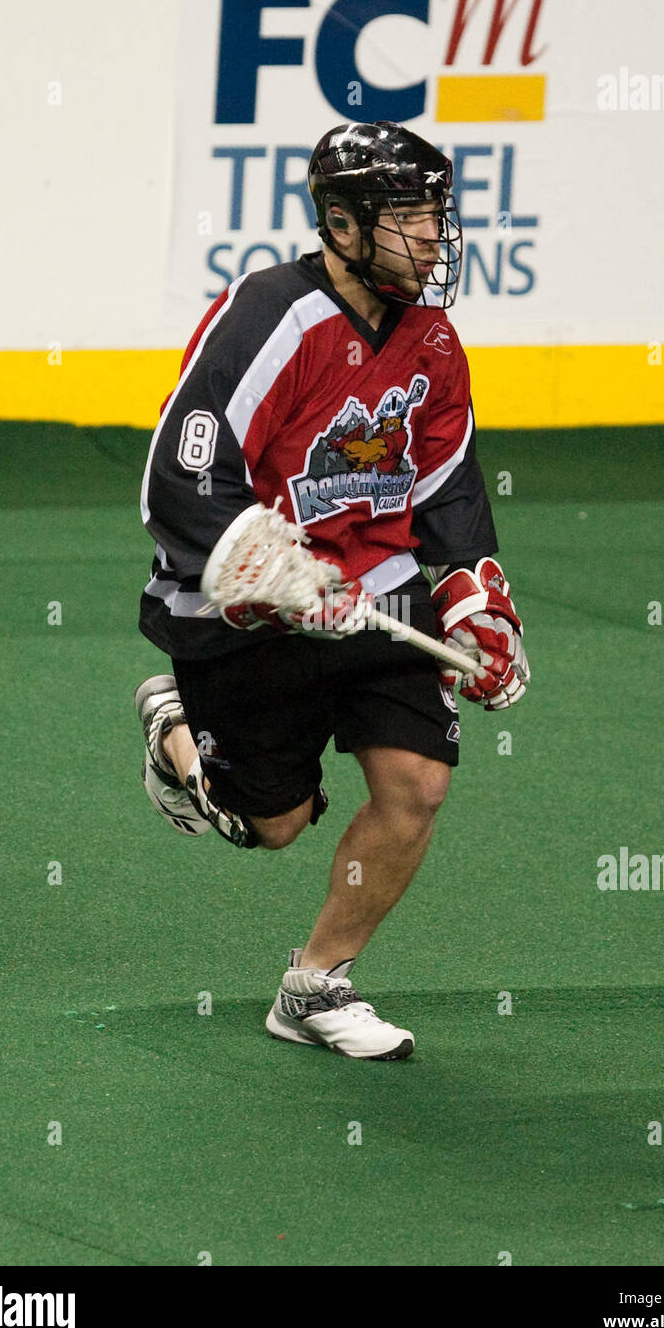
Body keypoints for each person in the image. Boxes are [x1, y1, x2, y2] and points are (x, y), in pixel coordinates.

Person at [134, 120, 530, 1061]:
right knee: (272, 824)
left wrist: (479, 602)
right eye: (409, 217)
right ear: (343, 227)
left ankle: (315, 986)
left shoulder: (434, 339)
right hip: (248, 611)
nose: (433, 235)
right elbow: (177, 476)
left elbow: (446, 491)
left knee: (417, 785)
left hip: (380, 593)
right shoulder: (271, 317)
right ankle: (174, 731)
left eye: (437, 213)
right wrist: (267, 563)